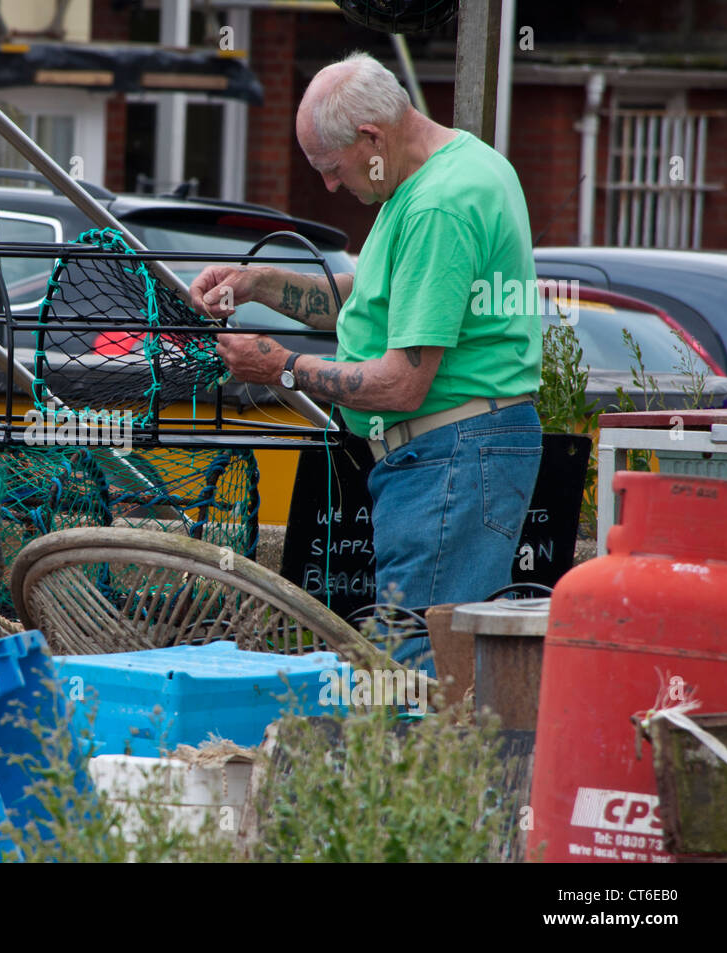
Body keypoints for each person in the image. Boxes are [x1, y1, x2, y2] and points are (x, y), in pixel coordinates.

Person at [190, 51, 542, 609]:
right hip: (456, 452)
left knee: (418, 663)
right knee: (432, 658)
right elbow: (370, 303)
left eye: (331, 167)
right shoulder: (449, 169)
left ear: (371, 137)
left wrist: (281, 366)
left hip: (447, 456)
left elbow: (403, 384)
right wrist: (254, 282)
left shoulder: (436, 207)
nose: (329, 186)